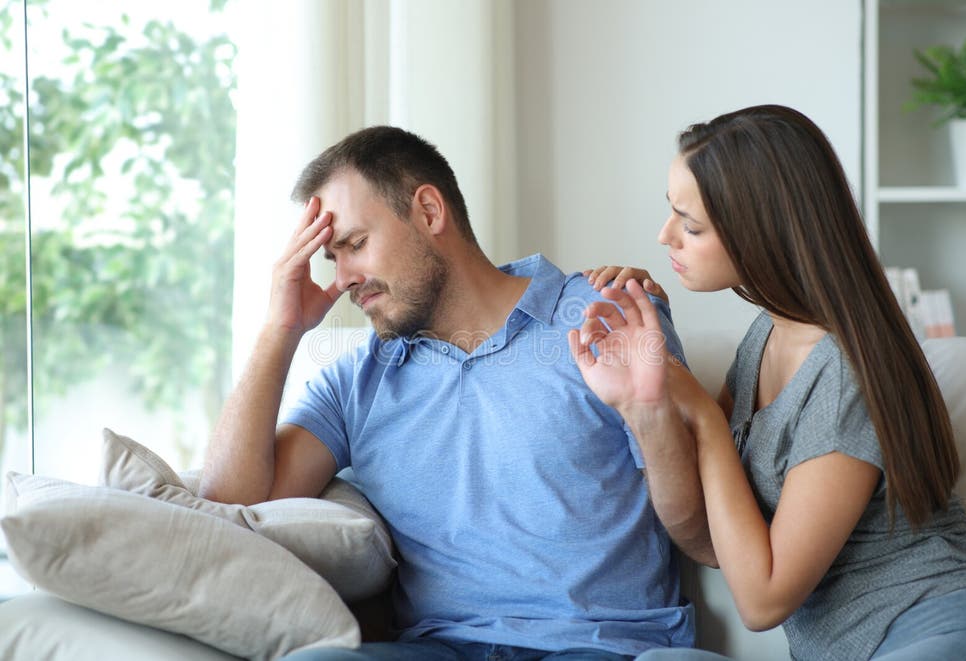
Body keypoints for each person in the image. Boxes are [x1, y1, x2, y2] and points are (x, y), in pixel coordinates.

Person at [199, 125, 717, 660]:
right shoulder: (356, 378)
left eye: (355, 244)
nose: (344, 278)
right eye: (332, 257)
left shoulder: (604, 316)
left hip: (603, 647)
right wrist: (278, 331)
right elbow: (226, 504)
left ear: (429, 211)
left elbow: (698, 524)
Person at [575, 105, 966, 661]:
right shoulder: (767, 336)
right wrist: (647, 396)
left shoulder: (845, 371)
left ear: (760, 231)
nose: (664, 235)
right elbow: (705, 539)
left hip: (935, 628)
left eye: (690, 225)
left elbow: (763, 601)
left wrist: (703, 415)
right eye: (672, 214)